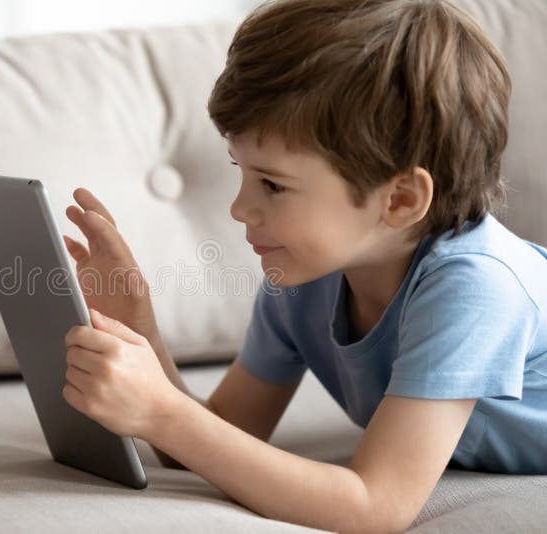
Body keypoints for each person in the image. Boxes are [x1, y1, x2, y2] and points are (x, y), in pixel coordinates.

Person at [60, 0, 547, 531]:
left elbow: (375, 507)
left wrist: (163, 415)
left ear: (401, 199)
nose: (239, 208)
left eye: (272, 184)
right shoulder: (304, 280)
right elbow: (215, 435)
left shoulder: (476, 288)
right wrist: (141, 334)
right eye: (240, 171)